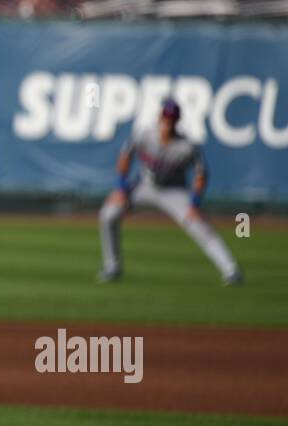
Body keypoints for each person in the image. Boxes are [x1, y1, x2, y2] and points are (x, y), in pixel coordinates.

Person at [98, 98, 242, 286]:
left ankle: (231, 270)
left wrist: (194, 203)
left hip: (174, 191)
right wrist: (122, 188)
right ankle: (112, 267)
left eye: (172, 118)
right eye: (166, 117)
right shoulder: (144, 135)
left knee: (198, 224)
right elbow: (125, 156)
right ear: (160, 118)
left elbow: (201, 175)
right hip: (144, 187)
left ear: (177, 121)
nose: (168, 121)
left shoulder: (187, 146)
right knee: (108, 214)